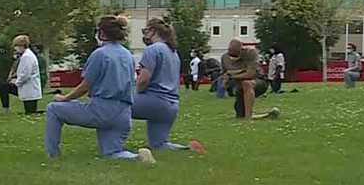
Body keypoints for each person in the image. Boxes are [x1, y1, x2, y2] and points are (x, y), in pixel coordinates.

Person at [44, 16, 153, 163]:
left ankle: (53, 155)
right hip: (123, 114)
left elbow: (85, 85)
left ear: (102, 33)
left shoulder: (100, 54)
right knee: (112, 153)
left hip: (102, 110)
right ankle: (137, 157)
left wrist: (65, 98)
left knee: (53, 109)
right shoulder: (127, 55)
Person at [131, 18, 204, 154]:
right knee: (159, 145)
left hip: (153, 101)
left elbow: (143, 80)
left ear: (153, 31)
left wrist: (135, 93)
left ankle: (114, 147)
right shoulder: (173, 53)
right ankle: (187, 149)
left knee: (116, 104)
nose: (144, 34)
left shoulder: (152, 50)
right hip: (171, 106)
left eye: (145, 31)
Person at [221, 39, 279, 121]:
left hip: (258, 81)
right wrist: (225, 82)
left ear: (242, 49)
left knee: (247, 83)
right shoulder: (224, 58)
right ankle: (265, 115)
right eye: (231, 52)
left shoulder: (251, 53)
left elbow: (250, 74)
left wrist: (232, 76)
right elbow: (225, 74)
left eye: (236, 53)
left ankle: (248, 118)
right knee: (240, 115)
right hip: (240, 88)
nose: (233, 57)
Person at [0, 35, 43, 114]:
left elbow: (25, 74)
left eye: (16, 46)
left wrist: (16, 82)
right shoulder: (27, 55)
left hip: (29, 88)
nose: (15, 48)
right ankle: (6, 108)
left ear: (21, 45)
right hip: (28, 88)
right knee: (30, 111)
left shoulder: (27, 57)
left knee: (30, 112)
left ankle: (6, 109)